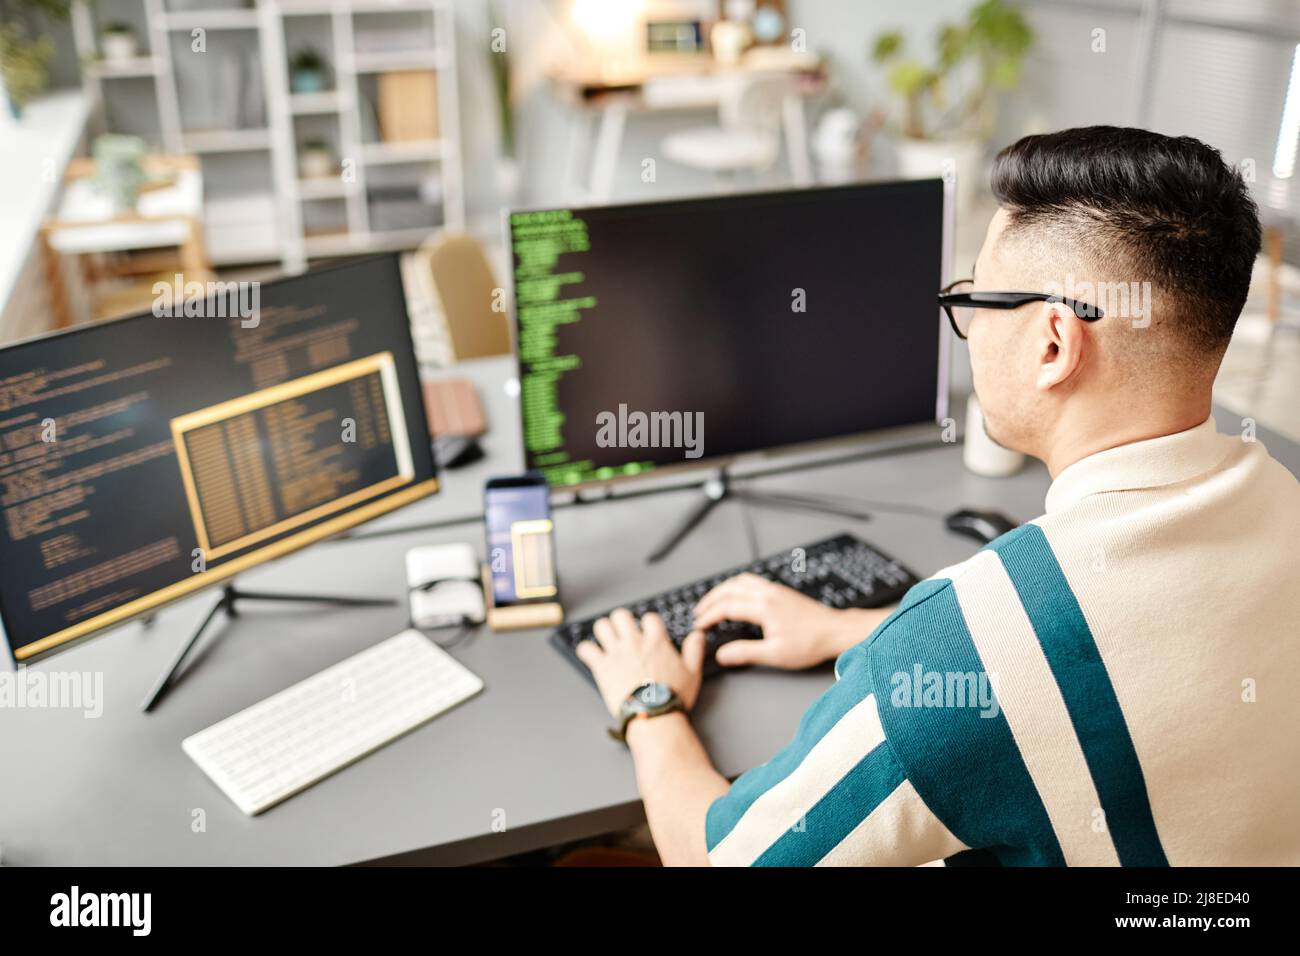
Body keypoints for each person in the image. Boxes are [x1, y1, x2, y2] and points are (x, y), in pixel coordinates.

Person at [576, 126, 1300, 866]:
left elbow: (720, 859)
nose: (969, 329)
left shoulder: (970, 636)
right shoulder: (1285, 504)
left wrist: (648, 704)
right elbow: (1120, 652)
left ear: (1053, 345)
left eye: (978, 300)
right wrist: (849, 630)